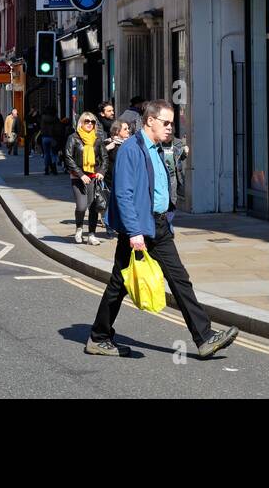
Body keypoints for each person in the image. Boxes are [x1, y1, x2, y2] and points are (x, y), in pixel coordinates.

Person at [85, 99, 239, 360]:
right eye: (166, 123)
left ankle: (204, 338)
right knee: (119, 283)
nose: (170, 128)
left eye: (172, 123)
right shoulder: (131, 150)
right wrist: (134, 232)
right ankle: (99, 337)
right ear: (150, 121)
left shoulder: (157, 148)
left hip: (158, 225)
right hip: (139, 227)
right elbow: (123, 194)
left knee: (179, 279)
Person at [62, 112, 106, 245]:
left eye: (92, 122)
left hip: (94, 177)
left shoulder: (97, 139)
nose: (90, 124)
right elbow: (68, 157)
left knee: (93, 207)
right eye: (87, 121)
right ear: (81, 123)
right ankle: (79, 228)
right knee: (81, 207)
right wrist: (81, 174)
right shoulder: (73, 138)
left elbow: (104, 158)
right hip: (78, 177)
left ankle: (91, 234)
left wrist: (102, 171)